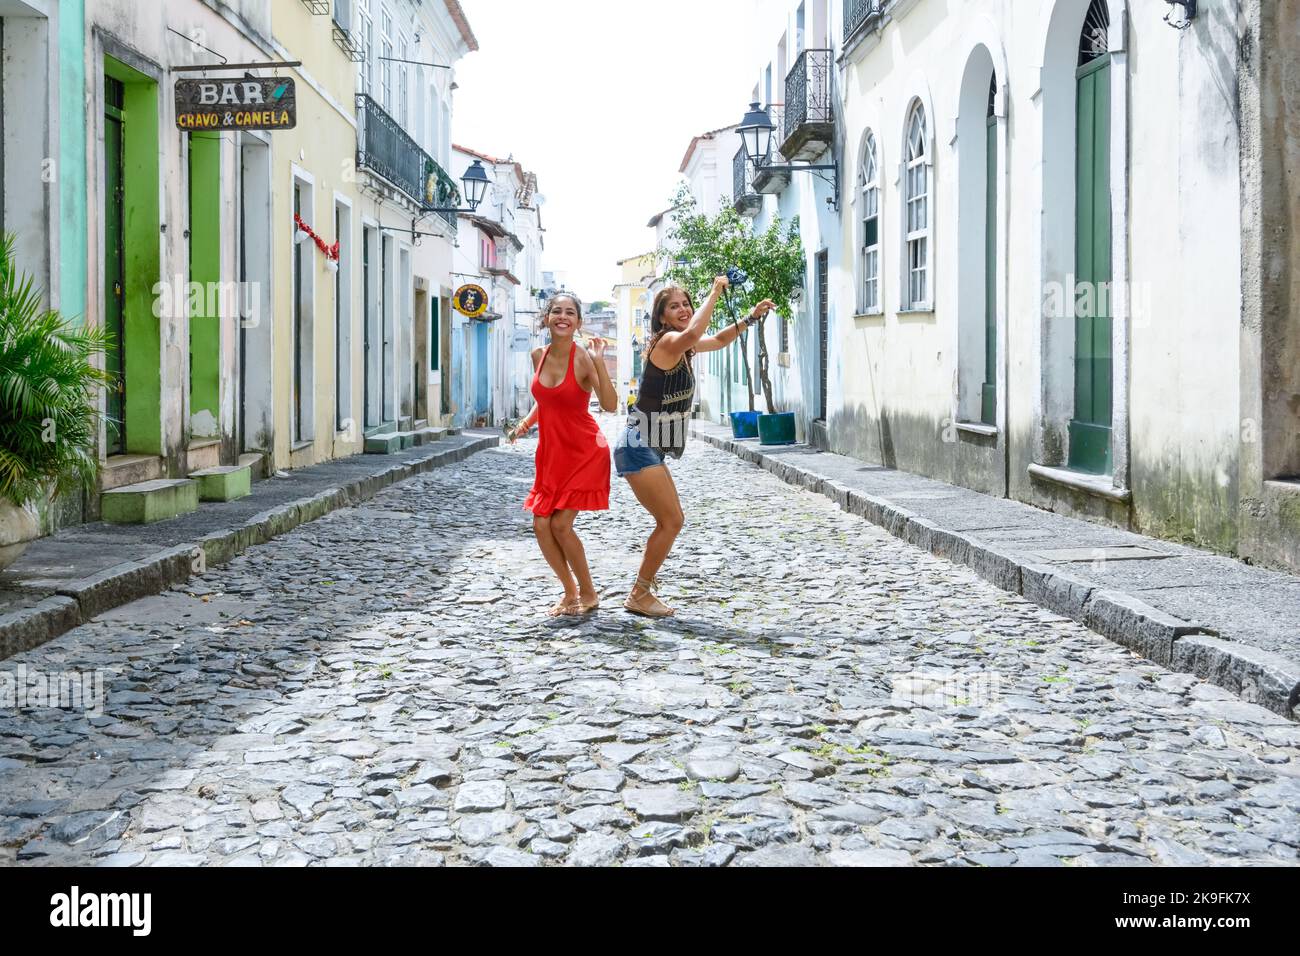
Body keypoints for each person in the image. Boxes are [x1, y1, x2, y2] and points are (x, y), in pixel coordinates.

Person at [615, 276, 776, 617]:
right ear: (662, 317)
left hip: (651, 446)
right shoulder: (669, 342)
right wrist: (716, 291)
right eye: (674, 306)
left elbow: (717, 339)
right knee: (671, 520)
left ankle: (641, 591)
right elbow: (691, 334)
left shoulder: (683, 347)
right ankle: (639, 593)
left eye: (686, 304)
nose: (683, 309)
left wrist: (749, 317)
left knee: (672, 520)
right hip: (638, 443)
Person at [508, 293, 619, 616]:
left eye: (570, 312)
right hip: (552, 453)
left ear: (578, 322)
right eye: (556, 311)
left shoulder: (583, 358)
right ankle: (571, 593)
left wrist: (599, 360)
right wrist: (525, 425)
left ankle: (588, 591)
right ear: (546, 318)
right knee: (541, 525)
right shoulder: (537, 355)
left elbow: (610, 405)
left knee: (560, 525)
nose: (563, 316)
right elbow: (546, 401)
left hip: (585, 451)